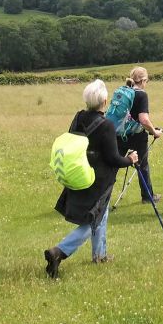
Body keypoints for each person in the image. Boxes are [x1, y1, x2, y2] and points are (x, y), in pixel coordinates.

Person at [45, 80, 138, 278]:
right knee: (94, 219)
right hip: (99, 179)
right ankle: (59, 251)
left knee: (101, 215)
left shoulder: (79, 117)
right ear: (105, 101)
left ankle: (100, 255)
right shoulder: (107, 125)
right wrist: (130, 159)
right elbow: (113, 159)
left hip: (80, 171)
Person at [115, 67, 163, 203]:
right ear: (143, 80)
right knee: (142, 165)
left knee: (113, 164)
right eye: (146, 81)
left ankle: (102, 197)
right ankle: (147, 197)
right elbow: (144, 120)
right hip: (137, 136)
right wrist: (154, 132)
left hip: (120, 134)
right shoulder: (141, 95)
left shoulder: (123, 92)